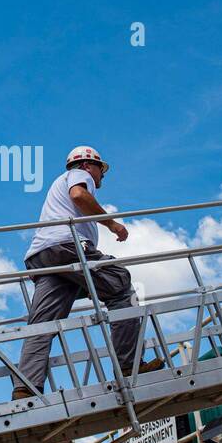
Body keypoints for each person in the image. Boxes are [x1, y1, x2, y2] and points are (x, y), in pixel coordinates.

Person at [14, 146, 150, 400]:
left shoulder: (59, 184)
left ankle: (25, 387)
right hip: (68, 246)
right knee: (120, 285)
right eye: (101, 170)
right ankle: (131, 367)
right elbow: (78, 195)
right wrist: (112, 224)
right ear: (88, 165)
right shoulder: (80, 176)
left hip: (43, 256)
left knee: (42, 323)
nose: (101, 177)